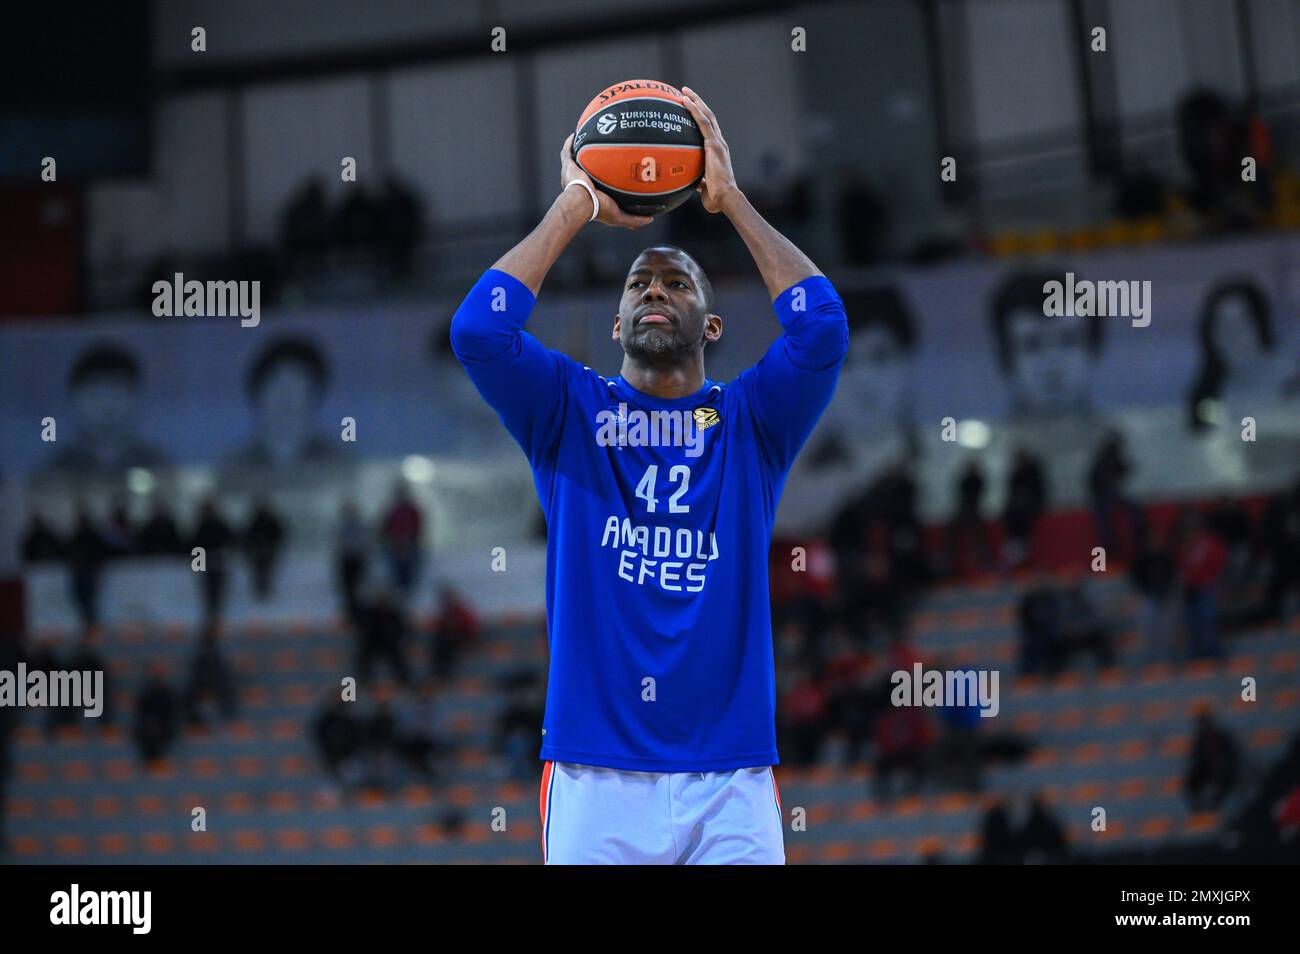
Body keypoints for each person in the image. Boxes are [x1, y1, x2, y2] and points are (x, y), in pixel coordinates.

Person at [450, 86, 847, 864]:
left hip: (730, 772)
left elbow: (823, 326)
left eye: (676, 283)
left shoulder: (751, 423)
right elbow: (478, 330)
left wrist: (729, 200)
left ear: (713, 324)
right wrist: (576, 203)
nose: (655, 292)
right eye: (638, 284)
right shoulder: (567, 409)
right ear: (617, 323)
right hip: (597, 772)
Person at [1185, 707, 1240, 810]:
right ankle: (1200, 807)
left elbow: (1233, 755)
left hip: (1226, 770)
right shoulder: (1199, 741)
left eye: (1204, 724)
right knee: (1191, 783)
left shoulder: (1222, 737)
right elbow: (1195, 758)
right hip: (1207, 771)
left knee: (1226, 781)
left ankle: (1218, 806)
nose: (1203, 727)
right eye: (1201, 725)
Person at [1002, 448, 1047, 570]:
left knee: (1023, 523)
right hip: (1016, 509)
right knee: (1010, 519)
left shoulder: (1033, 472)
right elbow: (1011, 492)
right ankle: (1015, 555)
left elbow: (1040, 492)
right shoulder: (1016, 474)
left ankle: (1022, 555)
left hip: (1030, 507)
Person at [380, 483, 424, 600]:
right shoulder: (393, 511)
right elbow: (386, 527)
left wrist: (408, 540)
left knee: (409, 570)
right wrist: (394, 540)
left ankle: (408, 590)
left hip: (409, 544)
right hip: (396, 545)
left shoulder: (412, 510)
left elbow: (418, 527)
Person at [242, 498, 286, 602]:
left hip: (265, 551)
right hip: (261, 551)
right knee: (261, 571)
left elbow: (278, 535)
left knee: (263, 571)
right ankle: (262, 589)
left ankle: (263, 589)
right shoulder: (260, 522)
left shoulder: (258, 522)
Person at [133, 664, 179, 763]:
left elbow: (171, 713)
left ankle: (156, 757)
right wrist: (150, 722)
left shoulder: (167, 694)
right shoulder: (146, 693)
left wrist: (160, 723)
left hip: (164, 726)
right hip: (149, 726)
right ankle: (150, 759)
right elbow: (141, 711)